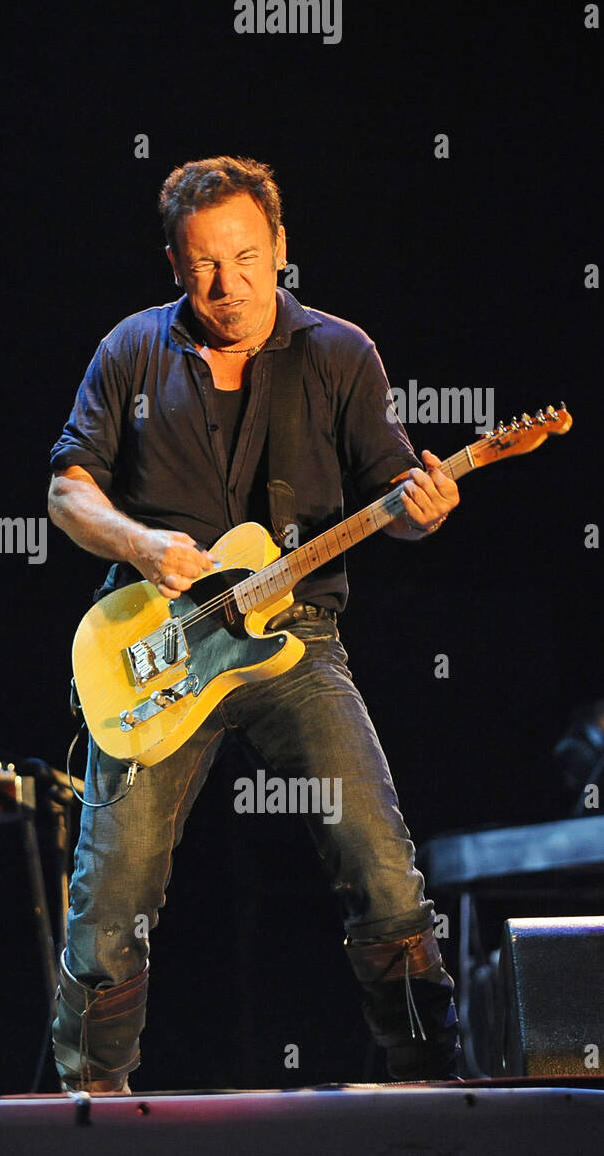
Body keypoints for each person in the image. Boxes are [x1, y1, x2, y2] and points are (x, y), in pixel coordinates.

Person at [48, 156, 460, 1091]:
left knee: (381, 862)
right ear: (173, 263)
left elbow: (394, 483)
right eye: (203, 265)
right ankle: (86, 1105)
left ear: (280, 247)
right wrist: (142, 545)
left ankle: (435, 1088)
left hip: (295, 637)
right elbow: (66, 490)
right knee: (111, 891)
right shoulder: (130, 351)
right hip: (160, 641)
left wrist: (424, 503)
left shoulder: (340, 352)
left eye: (246, 256)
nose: (228, 284)